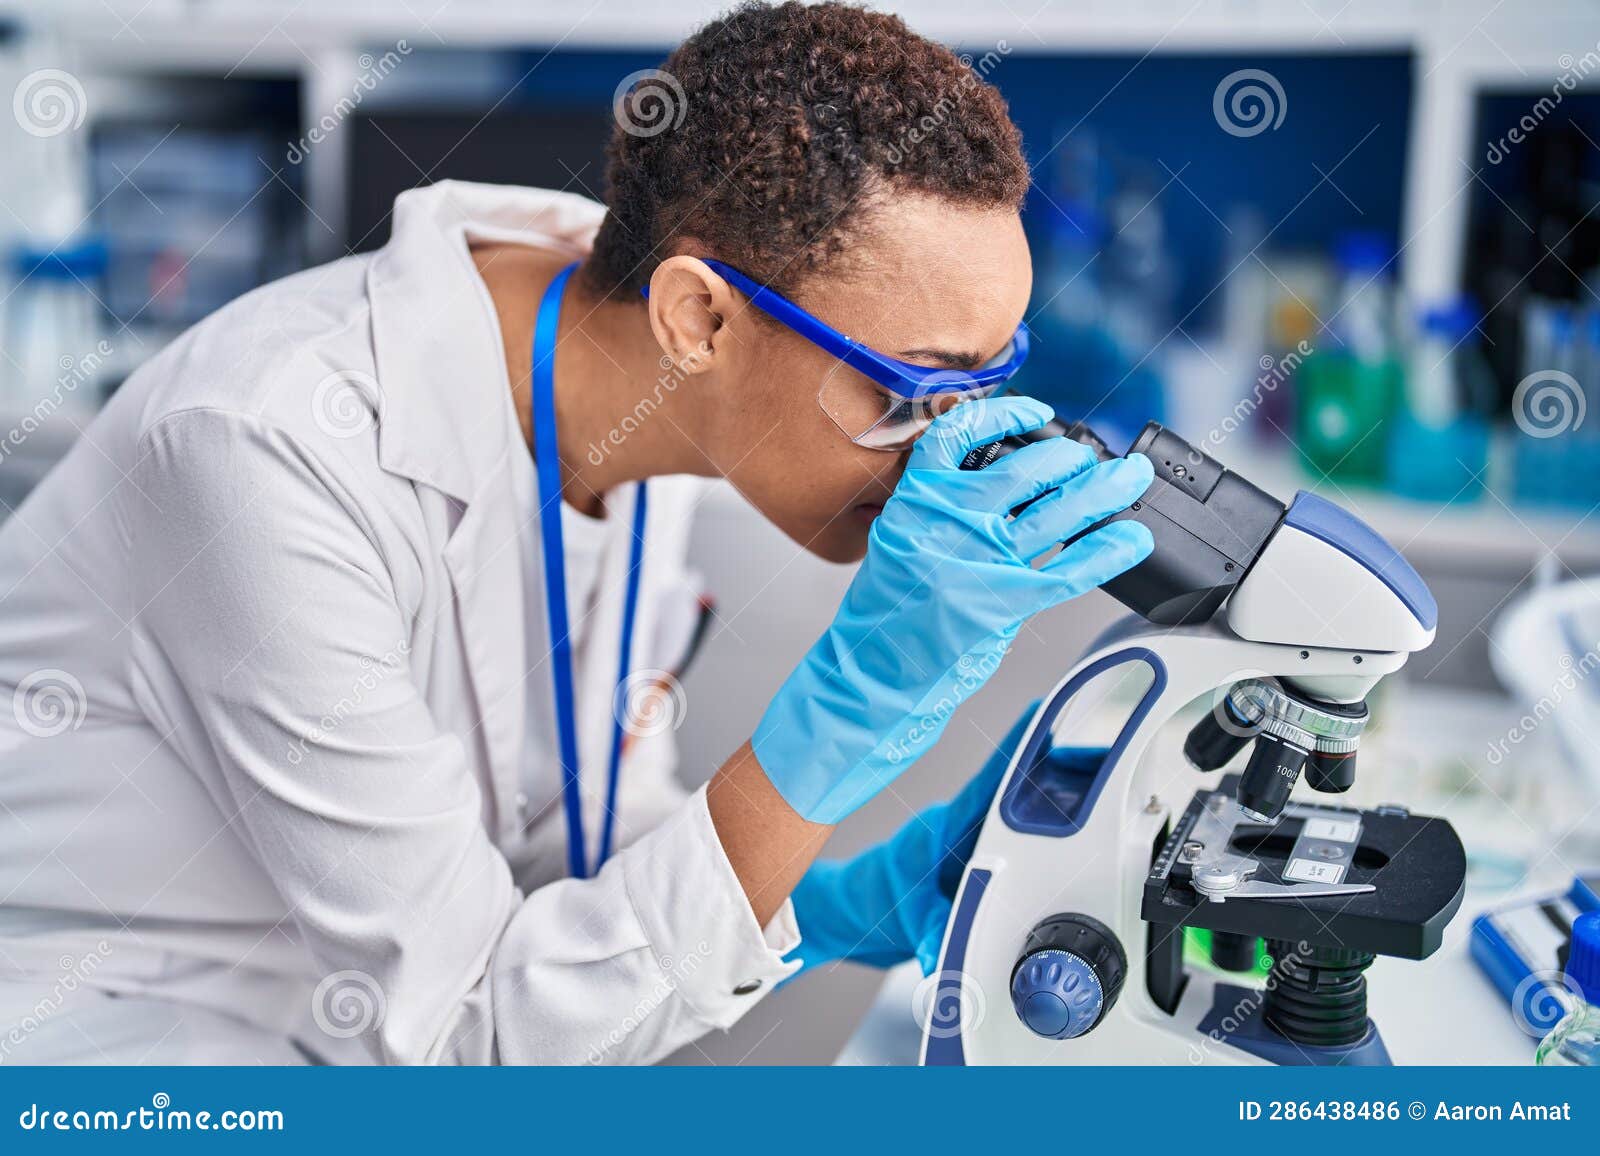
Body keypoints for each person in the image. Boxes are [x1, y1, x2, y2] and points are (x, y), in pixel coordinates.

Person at [0, 1, 1152, 1064]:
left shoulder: (638, 390)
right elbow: (471, 1030)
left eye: (990, 378)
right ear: (697, 317)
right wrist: (843, 722)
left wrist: (840, 901)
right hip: (107, 1039)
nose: (953, 453)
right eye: (911, 389)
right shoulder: (263, 452)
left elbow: (569, 843)